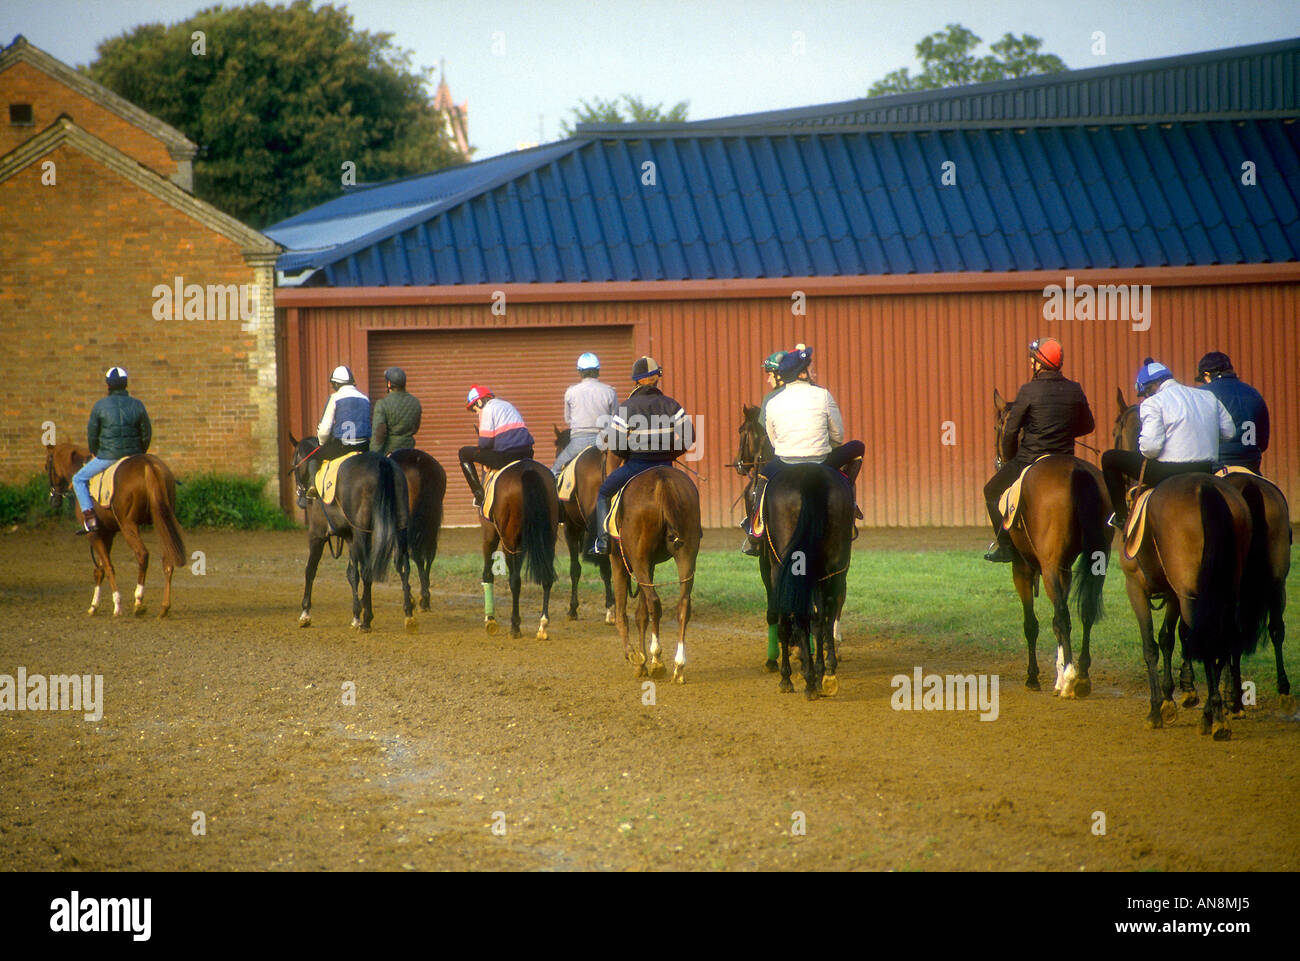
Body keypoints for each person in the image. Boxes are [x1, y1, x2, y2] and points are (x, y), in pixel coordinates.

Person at [741, 345, 864, 555]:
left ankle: (756, 529)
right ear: (803, 372)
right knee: (858, 447)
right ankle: (849, 505)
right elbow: (838, 437)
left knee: (762, 477)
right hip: (821, 461)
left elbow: (772, 438)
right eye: (810, 367)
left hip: (785, 462)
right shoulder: (824, 395)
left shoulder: (772, 402)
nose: (813, 370)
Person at [982, 338, 1095, 562]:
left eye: (1033, 360)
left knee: (991, 491)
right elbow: (1088, 425)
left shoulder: (1028, 391)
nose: (1031, 363)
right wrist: (1063, 431)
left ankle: (1005, 546)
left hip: (1030, 458)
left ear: (1040, 363)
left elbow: (1010, 431)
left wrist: (1009, 458)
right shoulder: (1075, 389)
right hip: (1065, 459)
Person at [1101, 358, 1234, 528]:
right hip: (1205, 469)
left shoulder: (1153, 402)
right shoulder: (1207, 396)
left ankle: (1120, 516)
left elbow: (1150, 449)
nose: (1146, 397)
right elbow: (1229, 432)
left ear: (1154, 385)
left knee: (1109, 458)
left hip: (1168, 472)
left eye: (1147, 392)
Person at [588, 357, 693, 556]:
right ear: (656, 379)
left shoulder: (627, 407)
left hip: (636, 465)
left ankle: (602, 542)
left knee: (603, 493)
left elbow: (617, 448)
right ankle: (694, 530)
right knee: (689, 491)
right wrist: (671, 452)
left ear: (636, 381)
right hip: (665, 465)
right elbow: (690, 437)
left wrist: (629, 453)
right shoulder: (671, 405)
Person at [72, 366, 152, 533]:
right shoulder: (137, 404)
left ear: (108, 385)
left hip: (108, 456)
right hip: (134, 455)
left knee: (78, 479)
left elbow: (92, 434)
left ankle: (90, 517)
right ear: (126, 384)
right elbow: (146, 433)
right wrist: (140, 453)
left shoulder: (100, 406)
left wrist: (95, 452)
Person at [301, 365, 371, 506]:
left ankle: (313, 486)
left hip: (342, 447)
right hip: (364, 446)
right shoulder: (365, 398)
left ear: (336, 384)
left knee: (313, 456)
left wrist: (321, 443)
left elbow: (325, 429)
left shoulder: (335, 398)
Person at [458, 385, 535, 508]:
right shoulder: (508, 405)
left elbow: (485, 443)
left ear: (479, 401)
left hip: (506, 457)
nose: (476, 412)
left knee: (463, 453)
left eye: (474, 408)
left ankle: (479, 495)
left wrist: (483, 451)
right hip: (528, 453)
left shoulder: (487, 409)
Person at [1195, 351, 1269, 473]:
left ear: (1207, 375)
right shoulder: (1254, 393)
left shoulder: (1202, 394)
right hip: (1251, 466)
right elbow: (1263, 443)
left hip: (1214, 467)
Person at [551, 352, 618, 476]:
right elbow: (615, 419)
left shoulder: (571, 392)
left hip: (578, 441)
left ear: (579, 372)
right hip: (604, 441)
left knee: (554, 472)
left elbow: (568, 419)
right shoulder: (609, 391)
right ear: (597, 370)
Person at [370, 366, 422, 455]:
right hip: (410, 449)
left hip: (390, 451)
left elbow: (379, 434)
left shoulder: (382, 404)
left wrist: (373, 454)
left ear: (389, 384)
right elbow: (415, 428)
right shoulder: (415, 402)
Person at [755, 350, 786, 442]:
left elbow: (763, 428)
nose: (768, 380)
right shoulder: (815, 392)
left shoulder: (770, 398)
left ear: (779, 375)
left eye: (770, 375)